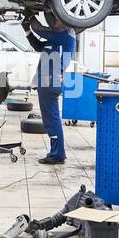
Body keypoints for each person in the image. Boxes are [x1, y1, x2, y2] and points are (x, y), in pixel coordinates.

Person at [24, 13, 77, 165]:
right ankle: (57, 152)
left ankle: (57, 154)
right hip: (47, 82)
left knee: (51, 120)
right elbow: (38, 46)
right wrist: (27, 31)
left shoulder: (66, 36)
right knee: (51, 118)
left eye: (58, 18)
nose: (55, 20)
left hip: (50, 82)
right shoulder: (56, 39)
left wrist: (30, 14)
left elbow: (39, 29)